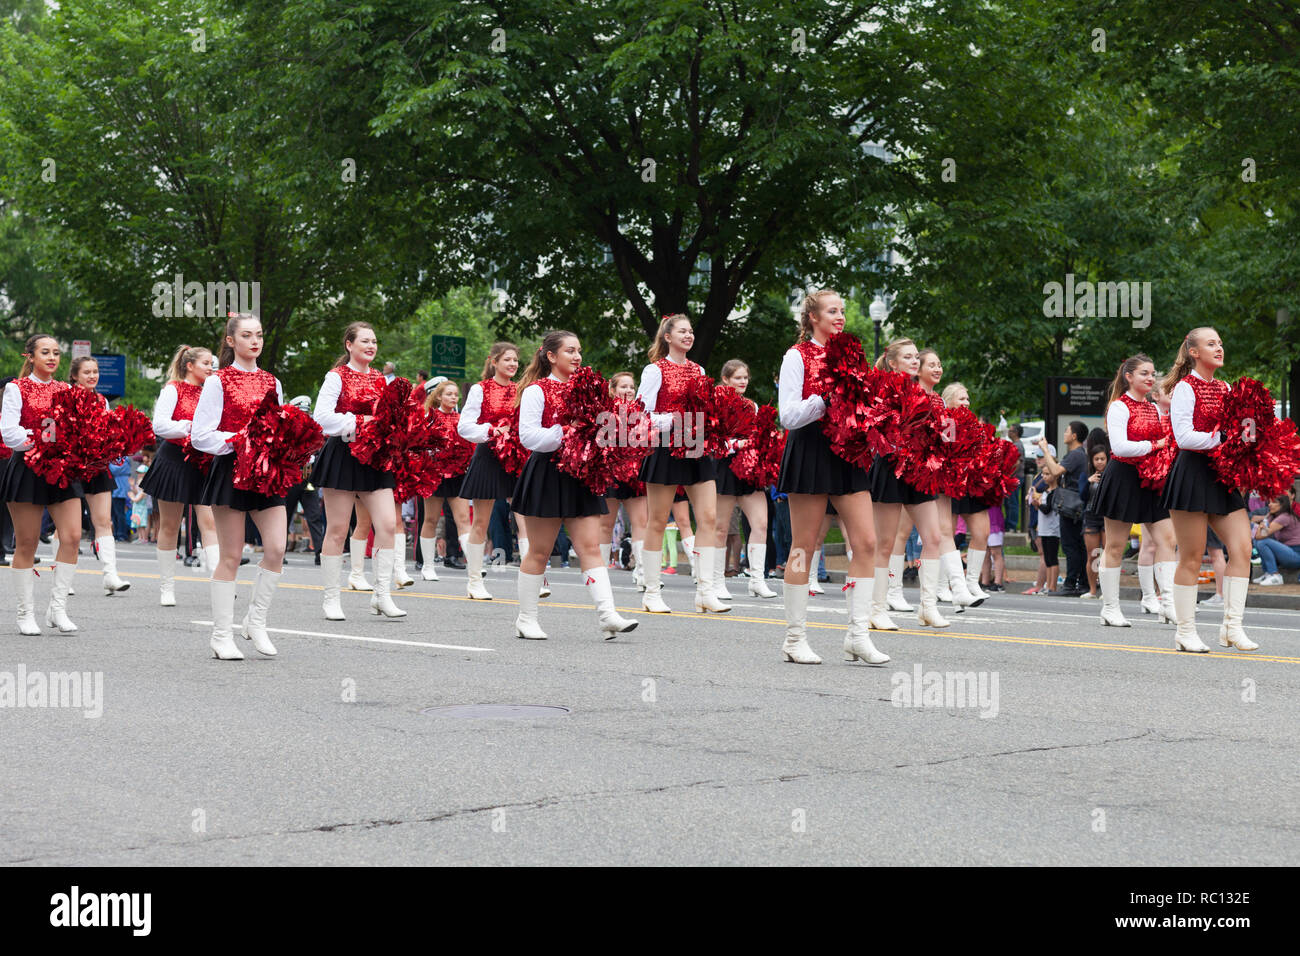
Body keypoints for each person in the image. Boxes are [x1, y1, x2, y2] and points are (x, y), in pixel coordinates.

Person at [775, 289, 886, 665]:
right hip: (810, 450)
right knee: (803, 546)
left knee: (867, 542)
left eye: (842, 311)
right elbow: (787, 416)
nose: (840, 316)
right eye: (832, 311)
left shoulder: (853, 357)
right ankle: (794, 638)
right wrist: (825, 397)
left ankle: (858, 635)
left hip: (848, 453)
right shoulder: (797, 355)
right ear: (813, 318)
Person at [510, 330, 636, 640]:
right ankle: (526, 618)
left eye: (579, 350)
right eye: (569, 351)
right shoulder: (536, 391)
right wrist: (566, 431)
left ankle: (607, 614)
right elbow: (528, 436)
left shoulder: (591, 392)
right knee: (539, 551)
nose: (577, 356)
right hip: (548, 473)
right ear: (551, 356)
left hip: (583, 474)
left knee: (590, 547)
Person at [192, 313, 290, 660]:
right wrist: (241, 441)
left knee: (277, 548)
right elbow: (201, 435)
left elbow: (277, 427)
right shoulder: (218, 381)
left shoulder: (272, 381)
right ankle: (221, 635)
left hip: (267, 472)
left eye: (259, 335)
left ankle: (256, 622)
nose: (255, 341)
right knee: (231, 555)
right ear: (231, 341)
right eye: (247, 335)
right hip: (231, 470)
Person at [1160, 327, 1258, 652]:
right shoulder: (1185, 388)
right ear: (1193, 352)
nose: (1219, 348)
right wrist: (1225, 439)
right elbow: (1185, 437)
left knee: (1242, 548)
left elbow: (1237, 428)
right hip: (1192, 473)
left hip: (1222, 474)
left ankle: (1232, 627)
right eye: (1210, 343)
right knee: (1191, 556)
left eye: (1220, 343)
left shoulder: (1226, 387)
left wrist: (1250, 439)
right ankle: (1184, 632)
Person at [311, 321, 406, 621]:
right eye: (364, 340)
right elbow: (321, 418)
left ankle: (381, 596)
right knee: (338, 529)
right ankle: (331, 598)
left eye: (374, 341)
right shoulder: (336, 376)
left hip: (376, 458)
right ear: (349, 345)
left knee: (388, 524)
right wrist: (359, 423)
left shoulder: (382, 379)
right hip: (343, 454)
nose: (371, 345)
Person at [636, 313, 729, 614]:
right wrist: (673, 420)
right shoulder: (654, 371)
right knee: (659, 521)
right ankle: (651, 592)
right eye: (682, 331)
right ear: (667, 336)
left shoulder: (699, 369)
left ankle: (705, 590)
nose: (689, 336)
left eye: (691, 332)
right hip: (664, 447)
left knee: (710, 518)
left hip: (696, 445)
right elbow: (641, 414)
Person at [1, 334, 82, 634]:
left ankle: (57, 610)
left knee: (72, 536)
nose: (51, 357)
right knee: (27, 542)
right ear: (30, 357)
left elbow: (76, 428)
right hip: (27, 468)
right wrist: (40, 441)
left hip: (62, 469)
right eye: (45, 352)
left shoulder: (67, 390)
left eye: (56, 353)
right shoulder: (15, 388)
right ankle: (25, 613)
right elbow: (9, 433)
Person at [868, 338, 948, 629]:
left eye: (917, 357)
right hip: (890, 467)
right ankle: (876, 608)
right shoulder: (884, 390)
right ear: (893, 362)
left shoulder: (930, 396)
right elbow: (877, 429)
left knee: (934, 537)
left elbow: (944, 435)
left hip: (920, 470)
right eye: (908, 357)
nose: (915, 361)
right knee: (885, 543)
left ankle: (928, 607)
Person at [144, 344, 223, 605]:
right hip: (174, 460)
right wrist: (190, 427)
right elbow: (160, 425)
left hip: (203, 460)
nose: (211, 368)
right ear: (190, 366)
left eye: (212, 363)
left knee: (209, 522)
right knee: (170, 525)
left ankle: (218, 582)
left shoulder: (212, 392)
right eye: (205, 363)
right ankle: (167, 587)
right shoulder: (173, 388)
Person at [458, 342, 531, 600]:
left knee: (525, 519)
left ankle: (532, 578)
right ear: (494, 362)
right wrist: (491, 431)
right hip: (489, 455)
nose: (512, 364)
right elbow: (464, 427)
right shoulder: (480, 389)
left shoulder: (522, 390)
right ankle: (474, 580)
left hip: (517, 457)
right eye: (507, 359)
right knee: (481, 521)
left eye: (515, 360)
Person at [710, 359, 777, 599]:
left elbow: (756, 435)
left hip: (749, 468)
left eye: (745, 378)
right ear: (725, 379)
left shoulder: (752, 405)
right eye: (738, 377)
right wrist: (736, 444)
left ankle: (757, 580)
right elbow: (710, 440)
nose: (743, 382)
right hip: (724, 467)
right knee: (720, 528)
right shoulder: (715, 403)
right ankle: (717, 582)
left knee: (760, 523)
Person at [65, 356, 132, 594]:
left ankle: (110, 574)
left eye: (95, 372)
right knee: (66, 527)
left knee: (104, 521)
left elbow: (107, 430)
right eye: (87, 372)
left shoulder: (102, 400)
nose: (92, 376)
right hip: (70, 467)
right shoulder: (65, 397)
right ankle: (65, 578)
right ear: (74, 375)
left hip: (97, 466)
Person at [419, 379, 473, 581]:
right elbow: (420, 445)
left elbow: (470, 446)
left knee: (463, 519)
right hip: (434, 475)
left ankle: (473, 567)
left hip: (458, 474)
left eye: (455, 394)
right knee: (431, 519)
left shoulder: (462, 420)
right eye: (448, 394)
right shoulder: (429, 418)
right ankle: (427, 566)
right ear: (439, 396)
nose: (453, 397)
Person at [600, 371, 649, 587]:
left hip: (635, 473)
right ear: (613, 390)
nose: (628, 391)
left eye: (631, 387)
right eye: (623, 387)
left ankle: (642, 572)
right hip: (610, 473)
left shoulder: (643, 413)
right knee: (606, 524)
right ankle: (600, 573)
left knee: (641, 522)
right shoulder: (604, 413)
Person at [1036, 420, 1089, 595]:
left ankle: (1071, 583)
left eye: (1067, 431)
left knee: (1070, 545)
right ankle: (1080, 583)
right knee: (1076, 545)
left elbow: (1056, 471)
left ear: (1074, 436)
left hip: (1071, 506)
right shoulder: (1080, 454)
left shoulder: (1075, 455)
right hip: (1075, 505)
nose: (1065, 433)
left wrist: (1045, 449)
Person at [1252, 494, 1300, 585]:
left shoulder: (1284, 517)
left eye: (1274, 502)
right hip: (1288, 553)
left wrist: (1261, 525)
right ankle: (1268, 573)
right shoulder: (1273, 517)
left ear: (1283, 505)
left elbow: (1259, 536)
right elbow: (1257, 535)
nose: (1270, 504)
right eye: (1269, 502)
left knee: (1262, 542)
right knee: (1258, 542)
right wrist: (1265, 519)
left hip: (1296, 555)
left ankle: (1275, 575)